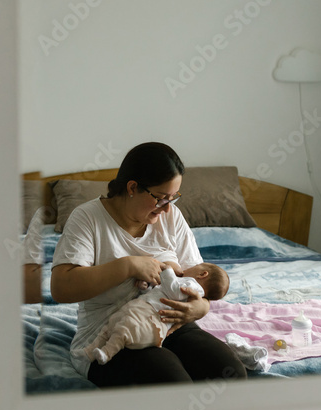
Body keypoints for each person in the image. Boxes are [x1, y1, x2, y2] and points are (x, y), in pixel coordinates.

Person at [50, 142, 247, 388]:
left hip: (169, 324)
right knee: (173, 384)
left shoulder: (171, 217)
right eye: (161, 198)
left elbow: (198, 281)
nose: (167, 208)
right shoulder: (88, 218)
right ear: (132, 187)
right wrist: (128, 266)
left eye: (173, 199)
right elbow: (61, 288)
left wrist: (201, 308)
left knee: (231, 374)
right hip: (111, 332)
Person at [77, 263, 230, 365]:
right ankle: (90, 350)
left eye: (194, 266)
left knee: (124, 330)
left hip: (151, 318)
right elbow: (160, 293)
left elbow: (174, 291)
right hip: (142, 308)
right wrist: (146, 287)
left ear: (202, 274)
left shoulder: (192, 285)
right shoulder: (186, 282)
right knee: (112, 324)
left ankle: (107, 353)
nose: (186, 268)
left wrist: (167, 270)